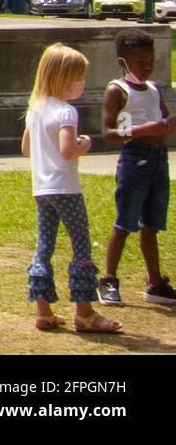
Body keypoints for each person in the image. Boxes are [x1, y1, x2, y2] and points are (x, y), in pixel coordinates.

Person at [21, 42, 120, 333]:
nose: (81, 84)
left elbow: (26, 148)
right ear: (61, 79)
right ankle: (85, 312)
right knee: (81, 247)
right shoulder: (66, 113)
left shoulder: (35, 109)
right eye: (76, 78)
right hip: (66, 188)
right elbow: (67, 151)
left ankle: (44, 311)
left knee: (44, 247)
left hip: (42, 189)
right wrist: (84, 145)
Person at [97, 28, 176, 307]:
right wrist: (145, 130)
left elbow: (165, 119)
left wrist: (168, 124)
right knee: (124, 223)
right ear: (123, 62)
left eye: (151, 61)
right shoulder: (117, 91)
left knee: (152, 225)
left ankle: (155, 283)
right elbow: (109, 133)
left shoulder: (153, 89)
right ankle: (108, 279)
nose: (147, 66)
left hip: (158, 161)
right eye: (141, 62)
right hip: (135, 160)